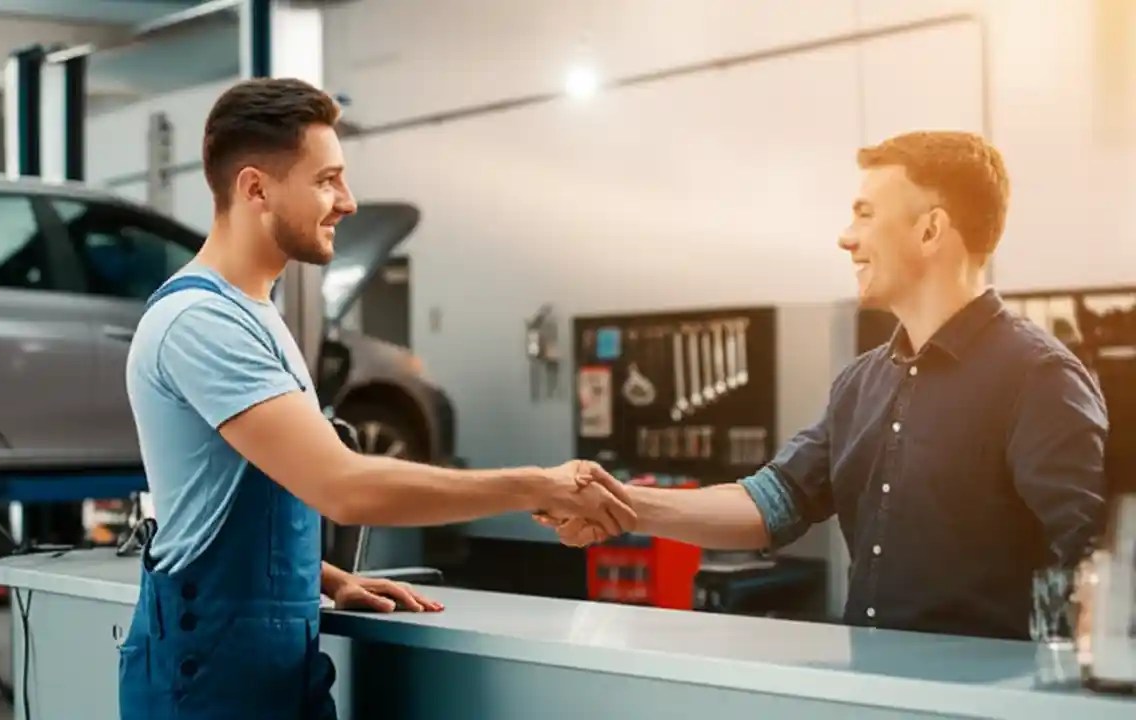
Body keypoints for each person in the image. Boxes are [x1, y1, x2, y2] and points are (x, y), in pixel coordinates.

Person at [117, 77, 636, 719]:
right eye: (326, 180)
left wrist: (324, 580)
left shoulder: (253, 313)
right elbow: (344, 487)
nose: (348, 202)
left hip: (270, 667)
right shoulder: (201, 324)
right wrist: (538, 486)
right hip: (209, 684)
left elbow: (242, 492)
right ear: (256, 188)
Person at [539, 130, 1110, 640]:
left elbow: (1099, 561)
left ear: (931, 229)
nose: (846, 237)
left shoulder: (1037, 378)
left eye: (865, 214)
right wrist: (621, 503)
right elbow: (771, 504)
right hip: (866, 696)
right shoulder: (861, 384)